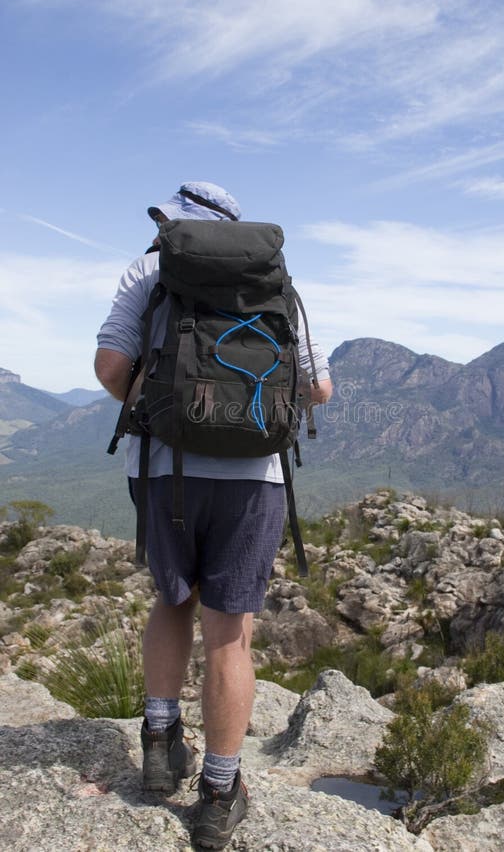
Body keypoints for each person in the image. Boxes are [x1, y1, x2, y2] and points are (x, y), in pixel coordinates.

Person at [95, 181, 332, 849]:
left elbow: (111, 364)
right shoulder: (278, 277)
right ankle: (220, 794)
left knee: (172, 602)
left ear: (179, 225)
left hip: (162, 471)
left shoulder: (151, 266)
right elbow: (318, 387)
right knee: (231, 633)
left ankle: (161, 745)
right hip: (254, 481)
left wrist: (163, 409)